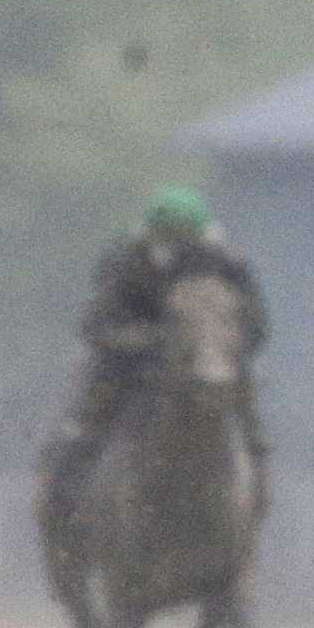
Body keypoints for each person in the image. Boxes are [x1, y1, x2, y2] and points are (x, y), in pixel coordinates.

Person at [39, 185, 268, 518]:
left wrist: (222, 344)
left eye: (187, 244)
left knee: (251, 425)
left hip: (209, 363)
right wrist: (155, 342)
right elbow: (98, 326)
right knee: (83, 428)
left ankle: (256, 490)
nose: (180, 253)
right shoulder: (128, 261)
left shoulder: (228, 265)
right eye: (173, 243)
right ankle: (63, 507)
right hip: (133, 367)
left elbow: (255, 327)